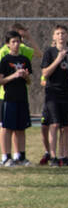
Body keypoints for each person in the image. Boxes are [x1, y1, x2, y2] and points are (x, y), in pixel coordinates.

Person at [41, 24, 68, 166]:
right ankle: (53, 156)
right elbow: (45, 73)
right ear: (54, 37)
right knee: (54, 124)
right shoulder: (49, 52)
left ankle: (64, 155)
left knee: (66, 126)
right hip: (52, 92)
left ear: (67, 35)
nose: (61, 36)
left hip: (67, 92)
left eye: (63, 33)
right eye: (58, 33)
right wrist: (58, 59)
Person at [0, 31, 32, 166]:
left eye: (18, 41)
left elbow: (29, 82)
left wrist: (25, 76)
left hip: (22, 97)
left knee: (21, 128)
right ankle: (5, 157)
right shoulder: (5, 60)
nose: (16, 44)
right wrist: (14, 75)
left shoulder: (25, 60)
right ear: (8, 44)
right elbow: (1, 81)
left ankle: (21, 156)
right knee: (7, 128)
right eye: (13, 42)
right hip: (9, 98)